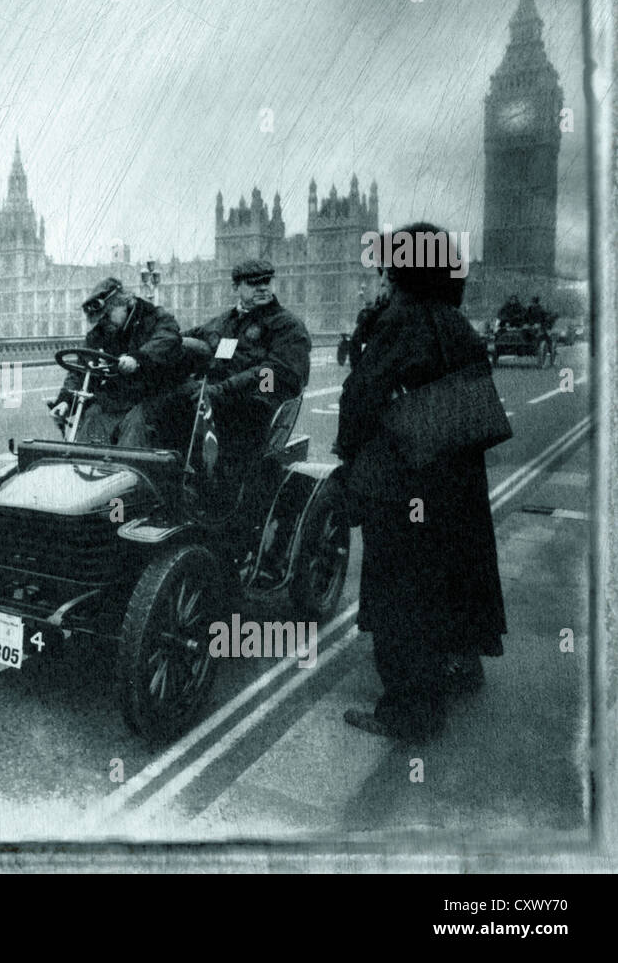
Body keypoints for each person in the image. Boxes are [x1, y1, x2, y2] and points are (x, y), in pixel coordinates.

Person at [334, 222, 506, 742]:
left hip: (406, 480)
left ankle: (409, 712)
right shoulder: (457, 324)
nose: (384, 275)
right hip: (456, 481)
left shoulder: (401, 320)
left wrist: (350, 452)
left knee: (399, 591)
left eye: (390, 266)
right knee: (453, 577)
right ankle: (460, 666)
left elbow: (362, 398)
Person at [155, 258, 310, 474]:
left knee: (190, 413)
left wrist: (220, 391)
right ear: (235, 287)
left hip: (258, 406)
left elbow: (275, 372)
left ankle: (200, 485)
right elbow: (182, 339)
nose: (263, 287)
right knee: (161, 402)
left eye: (266, 281)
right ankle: (171, 475)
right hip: (219, 399)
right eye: (253, 283)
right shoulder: (224, 322)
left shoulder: (287, 325)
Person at [51, 278, 187, 447]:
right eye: (101, 319)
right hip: (118, 399)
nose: (104, 323)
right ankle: (84, 462)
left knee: (136, 423)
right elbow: (82, 370)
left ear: (124, 303)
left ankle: (130, 468)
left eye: (107, 315)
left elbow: (168, 339)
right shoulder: (101, 333)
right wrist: (65, 400)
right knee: (92, 415)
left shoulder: (155, 318)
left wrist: (137, 359)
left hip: (152, 396)